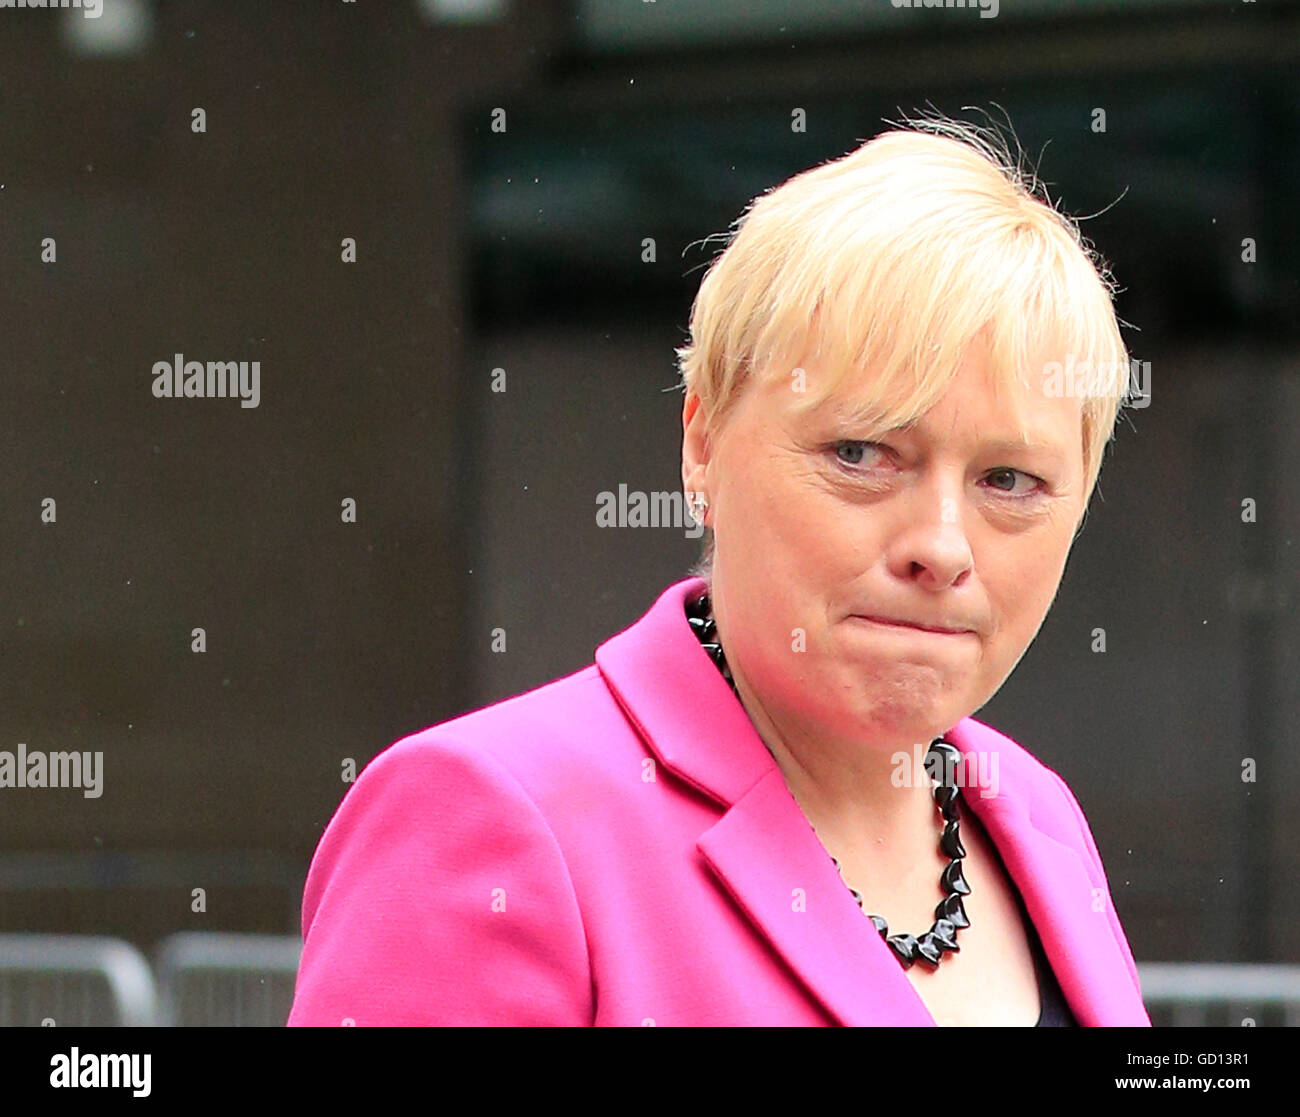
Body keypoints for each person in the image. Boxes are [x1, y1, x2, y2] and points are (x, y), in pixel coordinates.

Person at [288, 116, 1150, 1026]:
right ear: (702, 441)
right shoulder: (491, 820)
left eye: (1009, 480)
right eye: (861, 452)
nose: (941, 545)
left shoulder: (1037, 816)